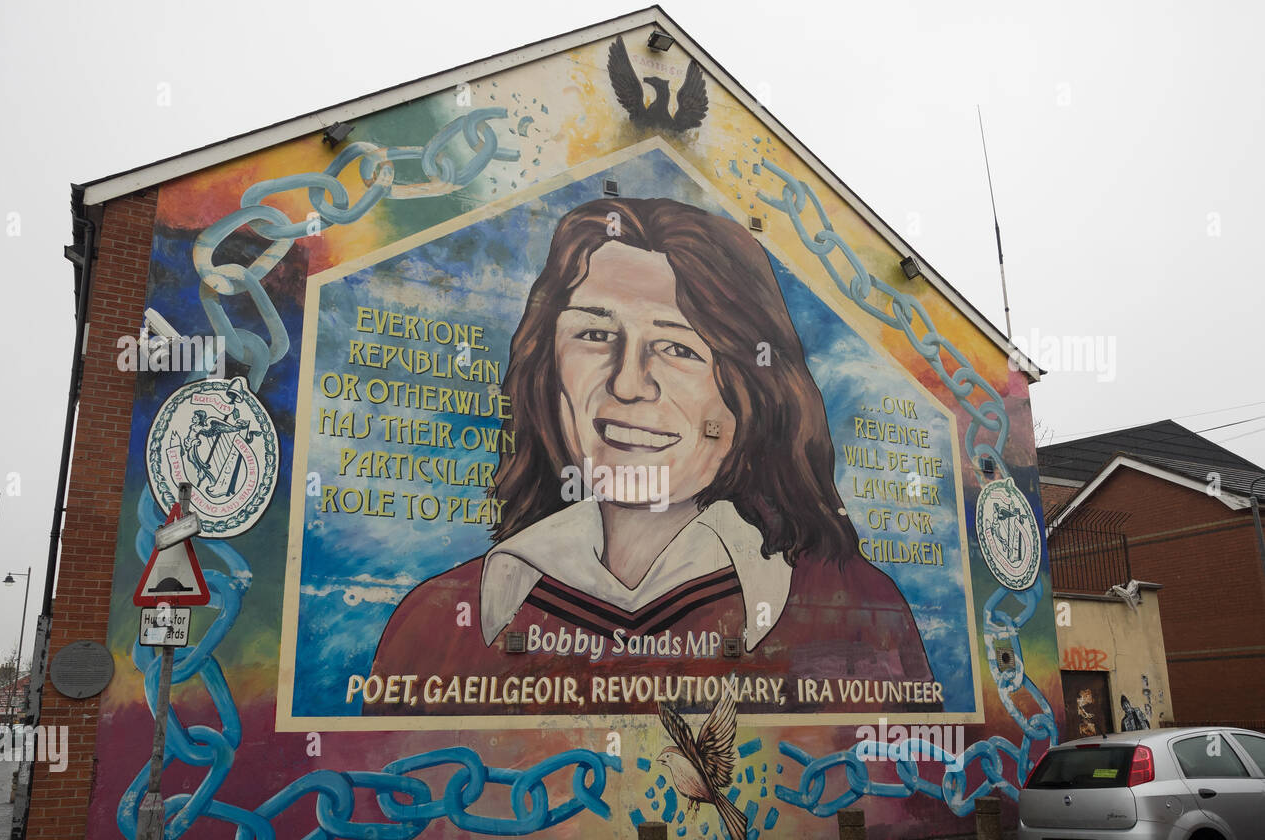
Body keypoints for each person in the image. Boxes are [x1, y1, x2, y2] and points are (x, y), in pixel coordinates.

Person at [370, 198, 933, 713]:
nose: (629, 383)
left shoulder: (854, 608)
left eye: (677, 347)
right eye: (593, 335)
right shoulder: (438, 625)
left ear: (752, 392)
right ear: (546, 369)